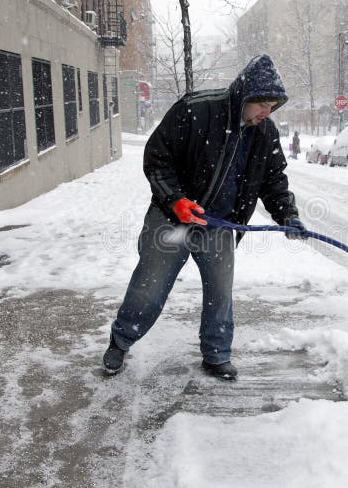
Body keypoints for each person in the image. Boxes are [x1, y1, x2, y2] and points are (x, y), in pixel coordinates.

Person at [102, 54, 307, 381]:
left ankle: (216, 354)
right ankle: (121, 340)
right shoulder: (196, 110)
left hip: (218, 226)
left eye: (273, 106)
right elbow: (157, 158)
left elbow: (273, 180)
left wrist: (288, 215)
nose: (268, 113)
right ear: (246, 95)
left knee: (220, 293)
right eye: (263, 105)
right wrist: (176, 199)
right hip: (171, 220)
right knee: (149, 288)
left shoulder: (264, 132)